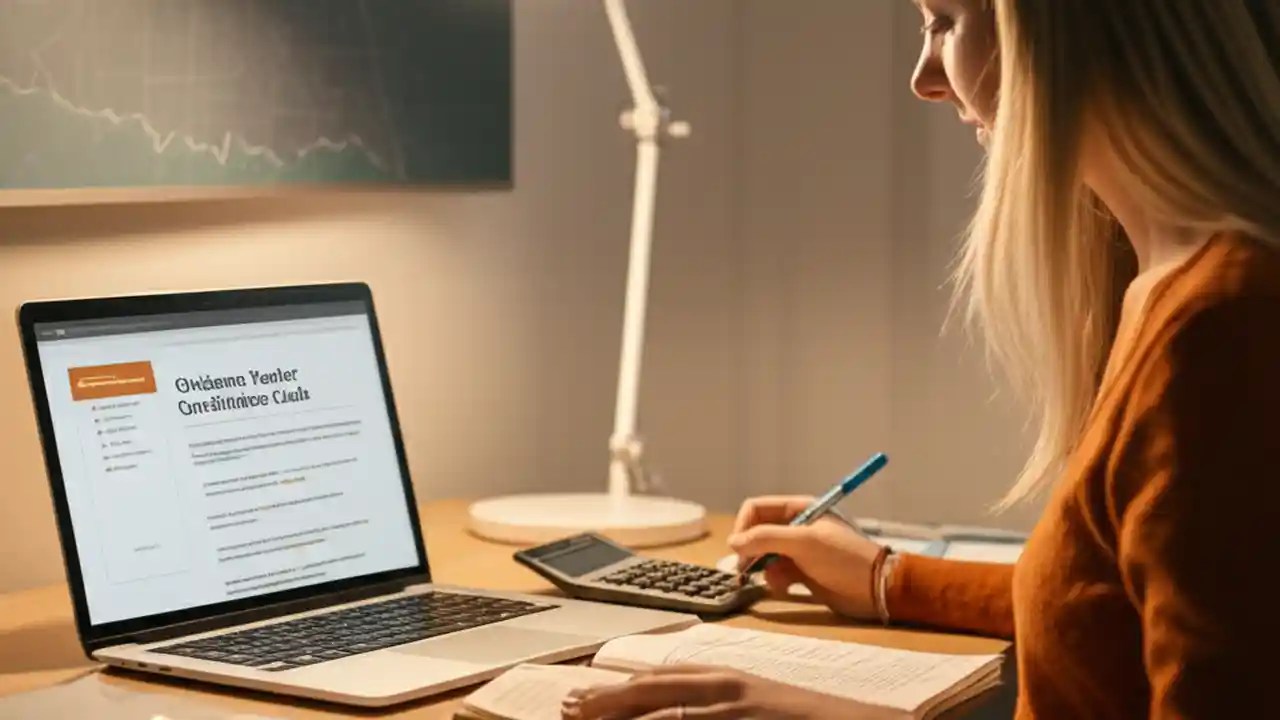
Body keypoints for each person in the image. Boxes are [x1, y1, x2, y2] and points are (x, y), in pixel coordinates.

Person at [563, 0, 1280, 718]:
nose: (924, 77)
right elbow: (1108, 605)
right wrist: (885, 579)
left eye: (944, 21)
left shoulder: (1222, 329)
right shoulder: (1168, 290)